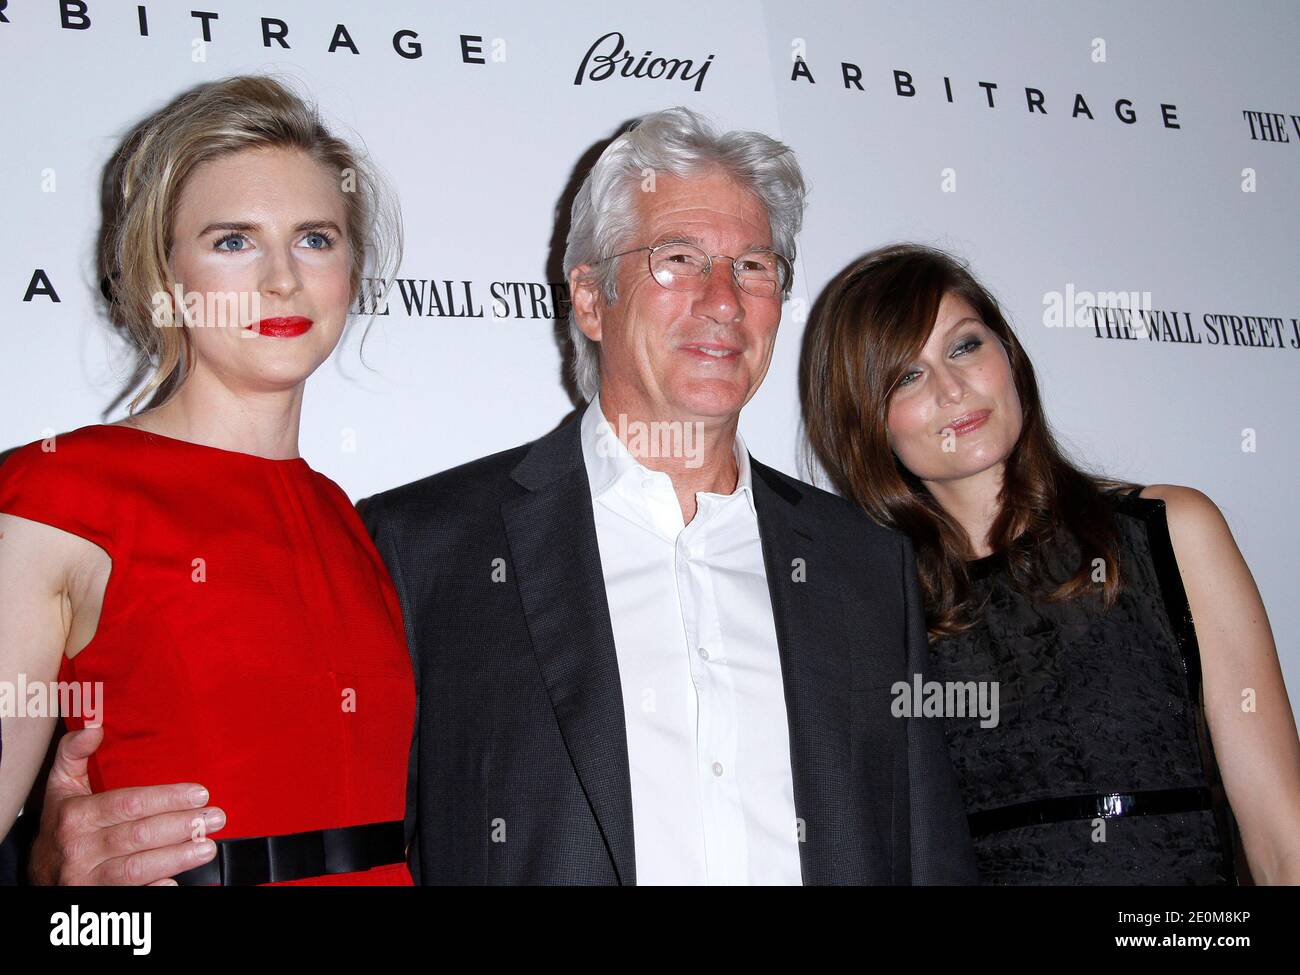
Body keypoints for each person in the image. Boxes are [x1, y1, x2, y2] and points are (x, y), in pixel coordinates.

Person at [350, 108, 975, 884]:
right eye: (678, 258)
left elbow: (930, 856)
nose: (723, 299)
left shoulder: (864, 565)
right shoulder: (424, 548)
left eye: (754, 266)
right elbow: (341, 833)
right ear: (589, 299)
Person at [1, 74, 414, 885]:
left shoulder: (350, 521)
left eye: (315, 238)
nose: (281, 279)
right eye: (233, 241)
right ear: (163, 276)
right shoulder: (59, 496)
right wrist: (56, 896)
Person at [800, 242, 1300, 884]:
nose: (953, 390)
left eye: (963, 346)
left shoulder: (1167, 534)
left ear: (1007, 354)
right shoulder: (871, 615)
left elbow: (1284, 843)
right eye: (907, 376)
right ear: (865, 421)